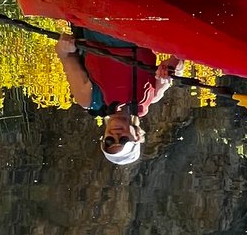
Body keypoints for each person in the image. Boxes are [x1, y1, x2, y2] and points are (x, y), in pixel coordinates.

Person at [55, 29, 182, 165]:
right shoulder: (153, 96)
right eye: (123, 140)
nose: (116, 136)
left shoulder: (89, 99)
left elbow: (65, 55)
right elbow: (179, 59)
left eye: (109, 141)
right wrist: (170, 69)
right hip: (140, 33)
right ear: (137, 136)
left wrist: (65, 46)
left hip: (98, 31)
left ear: (104, 137)